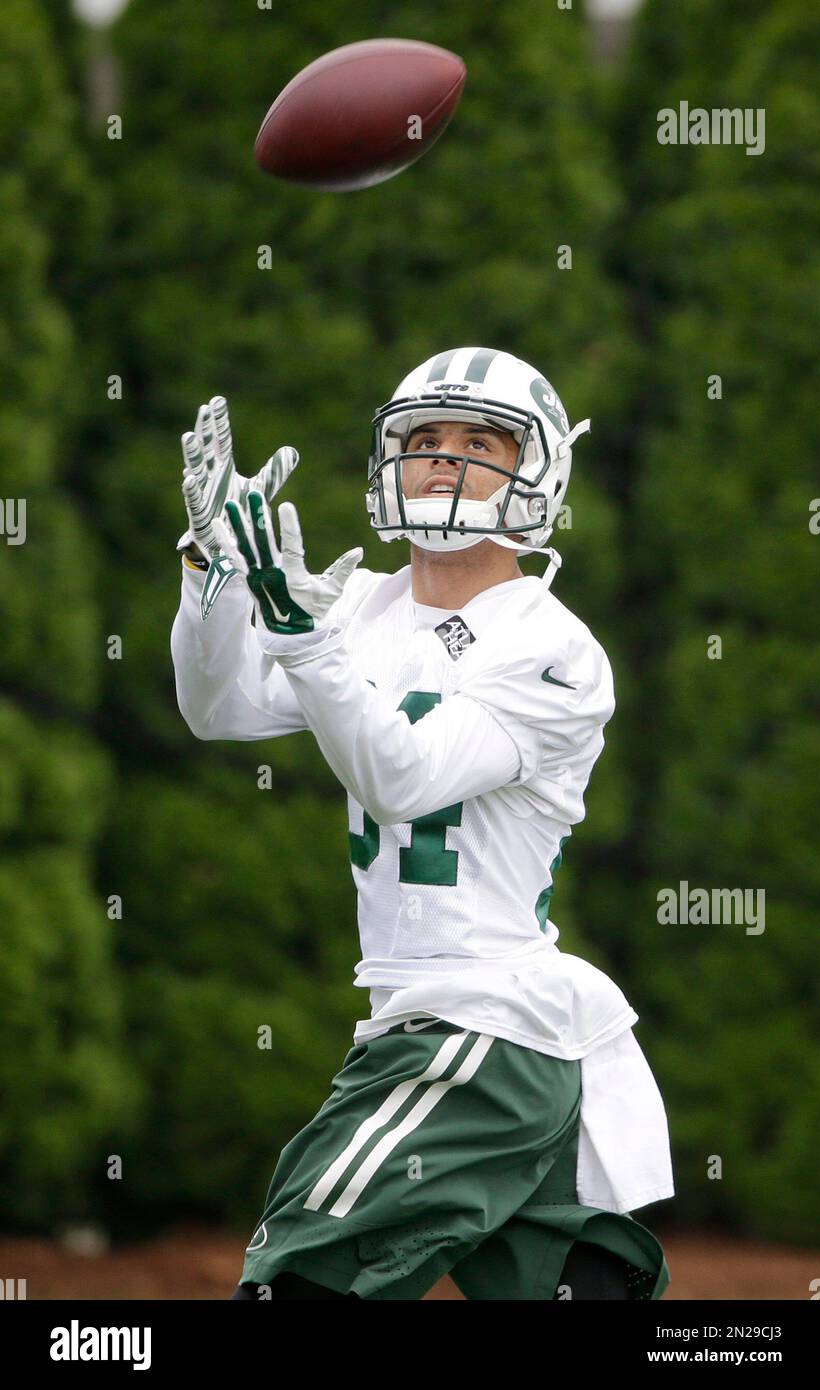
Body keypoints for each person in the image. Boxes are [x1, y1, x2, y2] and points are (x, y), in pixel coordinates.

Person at [170, 346, 674, 1301]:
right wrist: (214, 573)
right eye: (423, 439)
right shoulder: (364, 604)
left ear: (539, 474)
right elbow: (219, 708)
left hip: (479, 1023)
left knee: (296, 1278)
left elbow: (401, 778)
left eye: (479, 442)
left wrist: (304, 642)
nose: (443, 460)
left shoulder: (555, 647)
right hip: (451, 1026)